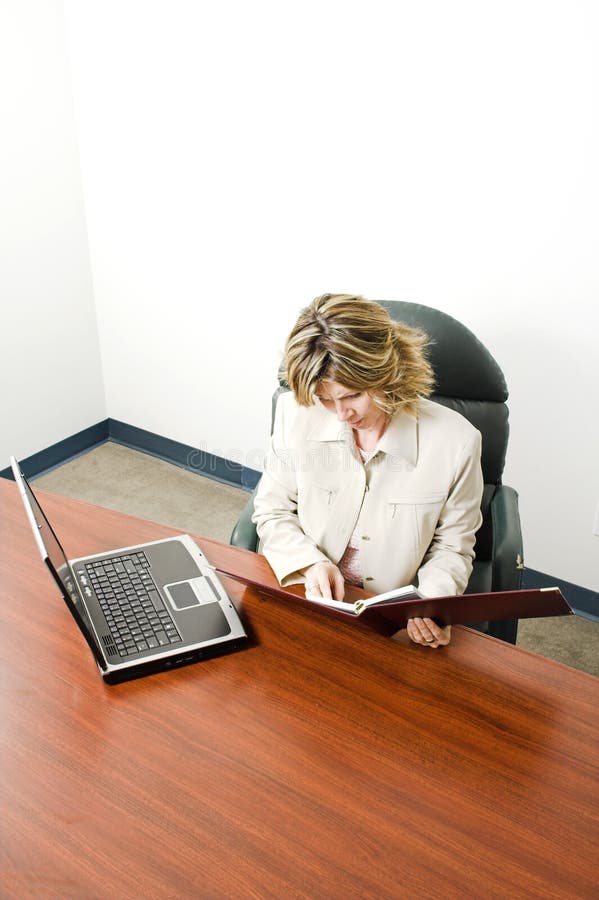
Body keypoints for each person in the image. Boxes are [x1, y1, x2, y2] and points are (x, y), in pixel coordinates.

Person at [252, 294, 483, 648]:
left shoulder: (457, 441)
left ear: (389, 373)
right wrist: (311, 564)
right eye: (326, 399)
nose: (341, 414)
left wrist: (432, 604)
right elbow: (272, 510)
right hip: (305, 593)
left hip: (390, 623)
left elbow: (452, 546)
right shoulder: (295, 413)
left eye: (353, 395)